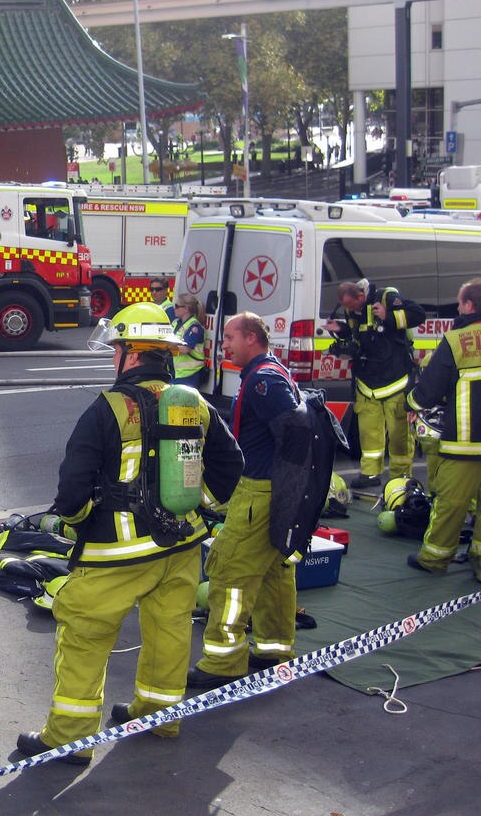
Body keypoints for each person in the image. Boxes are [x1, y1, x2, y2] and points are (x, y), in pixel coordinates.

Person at [16, 303, 242, 763]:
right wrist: (205, 509)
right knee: (170, 632)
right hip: (181, 544)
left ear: (132, 354)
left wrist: (79, 525)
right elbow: (230, 467)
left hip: (114, 554)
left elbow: (72, 492)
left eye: (117, 348)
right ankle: (159, 716)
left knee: (84, 636)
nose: (113, 356)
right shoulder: (193, 404)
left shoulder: (104, 409)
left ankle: (70, 739)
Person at [189, 312, 303, 689]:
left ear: (251, 337)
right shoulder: (269, 372)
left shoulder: (263, 381)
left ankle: (224, 661)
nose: (223, 344)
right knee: (274, 571)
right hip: (275, 489)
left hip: (259, 491)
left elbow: (292, 430)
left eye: (229, 337)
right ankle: (273, 649)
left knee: (229, 572)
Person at [405, 278, 481, 579]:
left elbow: (430, 388)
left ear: (469, 305)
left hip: (464, 442)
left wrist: (411, 404)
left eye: (459, 302)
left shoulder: (456, 340)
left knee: (450, 505)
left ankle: (434, 559)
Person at [323, 279, 425, 486]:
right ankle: (370, 474)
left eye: (352, 306)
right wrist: (341, 330)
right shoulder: (353, 311)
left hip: (395, 380)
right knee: (369, 434)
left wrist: (388, 316)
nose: (351, 310)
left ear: (361, 296)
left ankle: (401, 479)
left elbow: (418, 315)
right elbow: (359, 337)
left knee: (399, 436)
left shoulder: (387, 297)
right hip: (367, 382)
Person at [172, 294, 207, 387]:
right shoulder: (176, 323)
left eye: (177, 306)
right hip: (176, 373)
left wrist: (166, 347)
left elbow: (185, 349)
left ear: (186, 309)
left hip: (189, 375)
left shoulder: (194, 327)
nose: (174, 308)